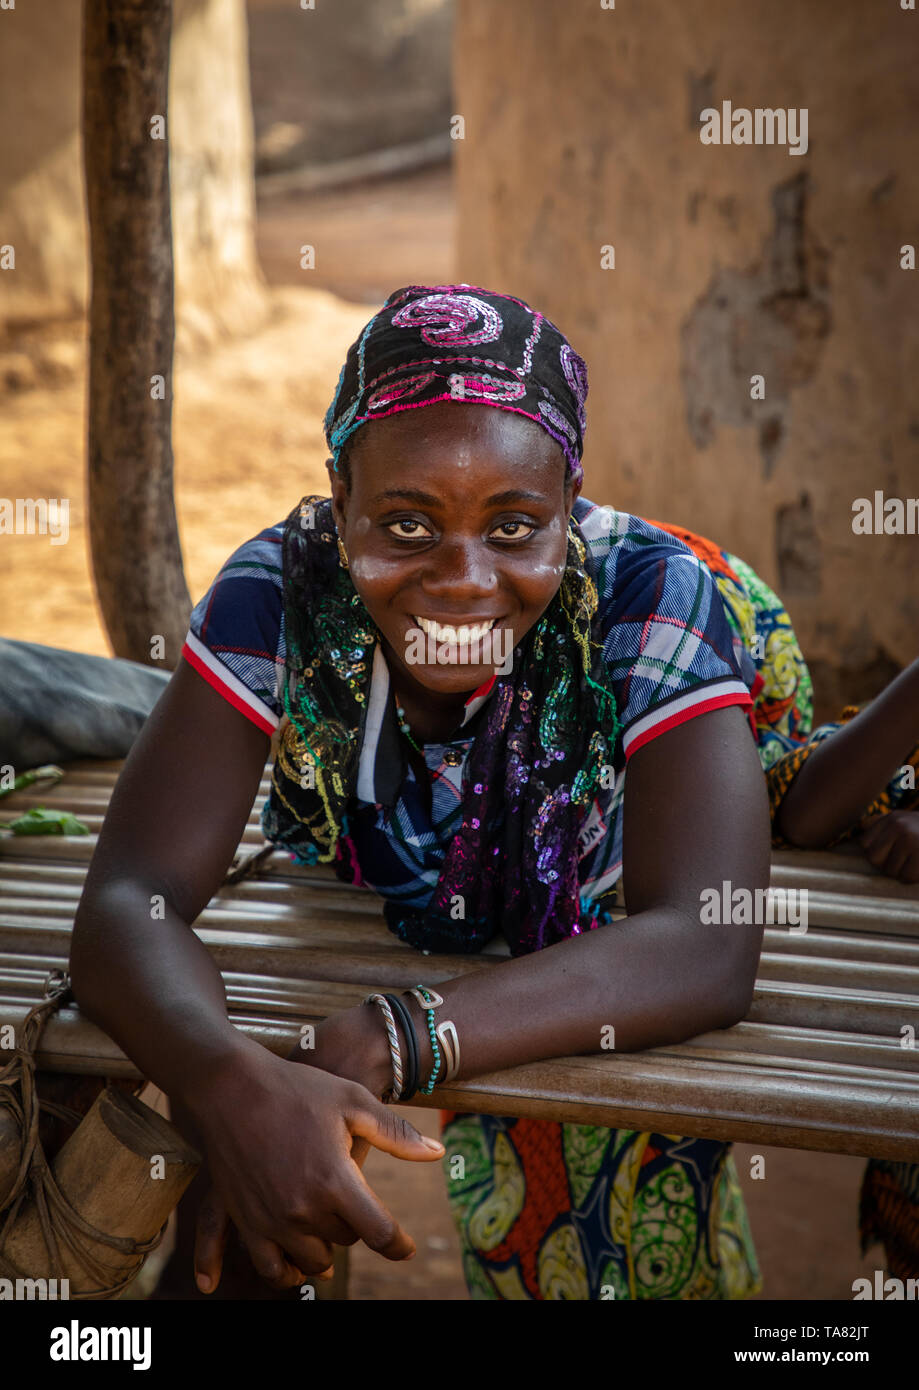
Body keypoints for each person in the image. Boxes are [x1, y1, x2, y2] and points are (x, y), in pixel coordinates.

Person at [68, 283, 915, 1300]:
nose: (464, 580)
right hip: (408, 870)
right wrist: (227, 1085)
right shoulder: (281, 586)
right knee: (261, 1152)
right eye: (406, 523)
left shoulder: (654, 597)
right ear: (339, 501)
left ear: (571, 504)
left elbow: (701, 936)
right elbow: (128, 898)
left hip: (620, 864)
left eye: (515, 526)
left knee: (601, 1235)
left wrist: (397, 1032)